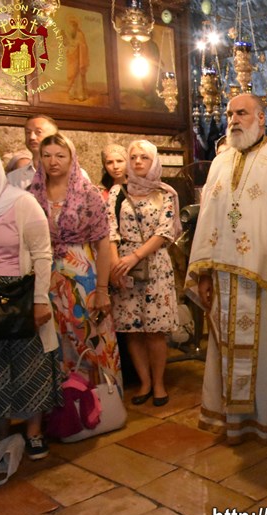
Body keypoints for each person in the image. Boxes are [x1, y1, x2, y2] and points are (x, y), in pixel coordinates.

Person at [186, 94, 267, 444]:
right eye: (229, 113)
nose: (233, 119)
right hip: (224, 278)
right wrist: (205, 273)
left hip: (266, 278)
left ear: (261, 117)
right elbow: (209, 218)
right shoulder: (220, 163)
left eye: (241, 112)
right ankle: (233, 422)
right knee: (225, 349)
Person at [0, 137, 62, 461]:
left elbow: (41, 253)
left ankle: (34, 432)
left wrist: (39, 301)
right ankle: (0, 436)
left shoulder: (21, 202)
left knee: (30, 365)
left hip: (22, 295)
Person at [30, 133, 121, 391]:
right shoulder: (31, 195)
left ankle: (101, 403)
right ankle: (63, 409)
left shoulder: (87, 193)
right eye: (46, 156)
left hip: (83, 273)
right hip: (45, 275)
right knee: (54, 340)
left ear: (71, 158)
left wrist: (102, 290)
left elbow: (103, 244)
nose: (53, 161)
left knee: (90, 337)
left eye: (60, 155)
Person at [108, 140, 180, 406]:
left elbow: (165, 231)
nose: (138, 162)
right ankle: (144, 382)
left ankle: (159, 383)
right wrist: (116, 264)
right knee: (133, 329)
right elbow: (110, 229)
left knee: (154, 330)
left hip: (155, 265)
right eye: (134, 157)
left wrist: (135, 256)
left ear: (154, 161)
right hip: (123, 266)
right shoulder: (117, 192)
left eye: (144, 158)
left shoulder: (165, 193)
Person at [7, 114, 58, 190]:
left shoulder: (74, 174)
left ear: (54, 137)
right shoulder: (13, 178)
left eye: (38, 132)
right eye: (28, 132)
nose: (32, 137)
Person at [65, 15, 89, 102]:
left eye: (72, 25)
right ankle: (73, 94)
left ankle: (80, 95)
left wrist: (76, 46)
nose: (71, 27)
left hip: (79, 59)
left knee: (78, 77)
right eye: (70, 25)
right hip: (73, 58)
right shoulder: (72, 34)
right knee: (72, 75)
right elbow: (72, 45)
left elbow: (82, 45)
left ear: (75, 25)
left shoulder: (80, 34)